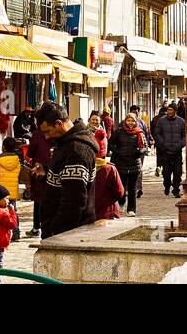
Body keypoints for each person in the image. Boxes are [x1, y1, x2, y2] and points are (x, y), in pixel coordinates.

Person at [36, 102, 98, 238]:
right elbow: (67, 181)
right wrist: (47, 172)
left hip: (68, 235)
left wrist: (56, 230)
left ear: (58, 124)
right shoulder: (65, 145)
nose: (46, 137)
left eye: (47, 131)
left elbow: (74, 200)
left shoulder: (76, 150)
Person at [109, 112, 146, 216]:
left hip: (135, 163)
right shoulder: (119, 132)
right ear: (125, 121)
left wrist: (140, 152)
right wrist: (117, 151)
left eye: (133, 121)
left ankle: (131, 209)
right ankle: (121, 203)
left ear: (136, 122)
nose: (130, 123)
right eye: (128, 120)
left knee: (132, 187)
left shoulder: (139, 133)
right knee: (122, 186)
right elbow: (110, 143)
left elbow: (144, 146)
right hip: (121, 163)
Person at [0, 137, 23, 240]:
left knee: (0, 213)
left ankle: (1, 233)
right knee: (13, 211)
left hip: (0, 192)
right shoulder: (17, 159)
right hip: (12, 191)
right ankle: (16, 231)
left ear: (3, 147)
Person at [24, 118, 53, 237]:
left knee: (38, 200)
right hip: (53, 169)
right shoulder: (56, 132)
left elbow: (30, 153)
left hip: (39, 170)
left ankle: (37, 227)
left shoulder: (37, 134)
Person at [153, 102, 187, 198]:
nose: (169, 112)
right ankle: (167, 185)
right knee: (166, 172)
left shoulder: (181, 121)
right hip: (165, 151)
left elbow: (185, 135)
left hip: (177, 151)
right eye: (168, 110)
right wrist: (163, 143)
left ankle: (176, 189)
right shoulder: (161, 121)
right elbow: (157, 134)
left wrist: (181, 144)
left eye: (171, 110)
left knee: (178, 172)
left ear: (175, 111)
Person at [93, 151, 125, 220]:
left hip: (89, 214)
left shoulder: (84, 166)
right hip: (107, 213)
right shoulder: (109, 169)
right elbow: (119, 192)